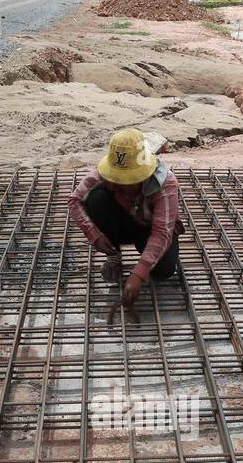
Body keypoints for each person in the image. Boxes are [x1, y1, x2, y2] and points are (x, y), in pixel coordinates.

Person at [68, 128, 181, 322]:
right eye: (119, 178)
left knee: (165, 270)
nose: (124, 184)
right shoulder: (102, 173)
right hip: (121, 223)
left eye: (131, 179)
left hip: (149, 228)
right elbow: (75, 201)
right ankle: (114, 256)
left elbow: (162, 233)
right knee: (96, 198)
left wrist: (139, 273)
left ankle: (145, 257)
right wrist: (94, 234)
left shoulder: (165, 183)